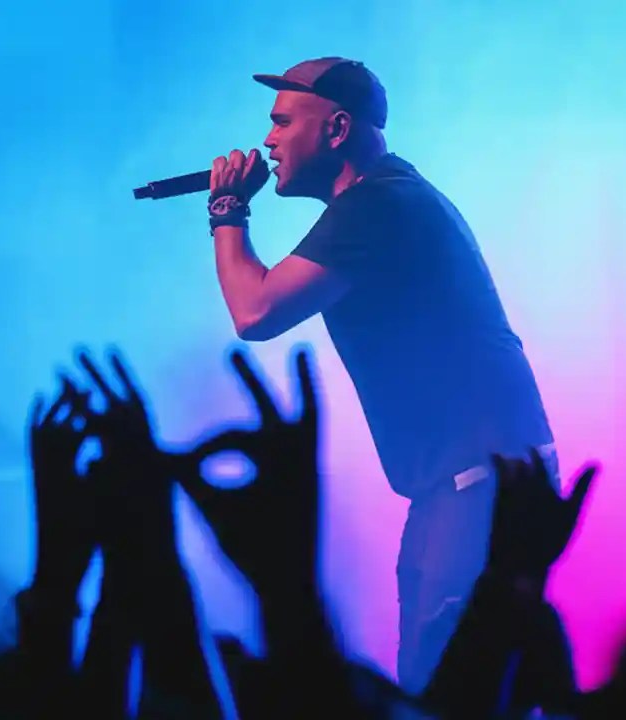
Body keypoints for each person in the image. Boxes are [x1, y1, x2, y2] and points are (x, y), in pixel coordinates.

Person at [205, 56, 558, 692]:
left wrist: (228, 208)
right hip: (468, 482)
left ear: (336, 128)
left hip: (475, 483)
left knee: (441, 687)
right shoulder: (388, 198)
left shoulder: (377, 207)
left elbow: (255, 311)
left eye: (284, 122)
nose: (269, 140)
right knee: (449, 681)